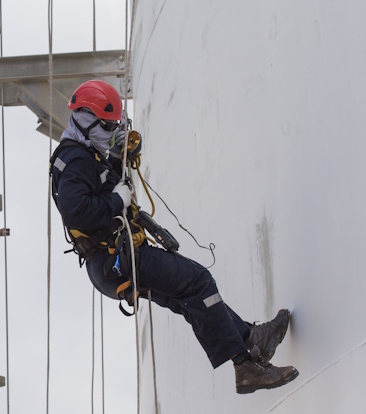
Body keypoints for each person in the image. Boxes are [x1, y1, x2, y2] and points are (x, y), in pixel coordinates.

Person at [49, 79, 298, 394]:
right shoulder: (74, 161)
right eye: (108, 127)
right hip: (117, 259)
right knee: (198, 282)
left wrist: (120, 158)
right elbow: (77, 210)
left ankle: (250, 339)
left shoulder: (85, 153)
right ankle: (245, 366)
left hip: (112, 263)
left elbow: (96, 181)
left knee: (191, 298)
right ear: (86, 121)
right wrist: (118, 200)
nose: (112, 133)